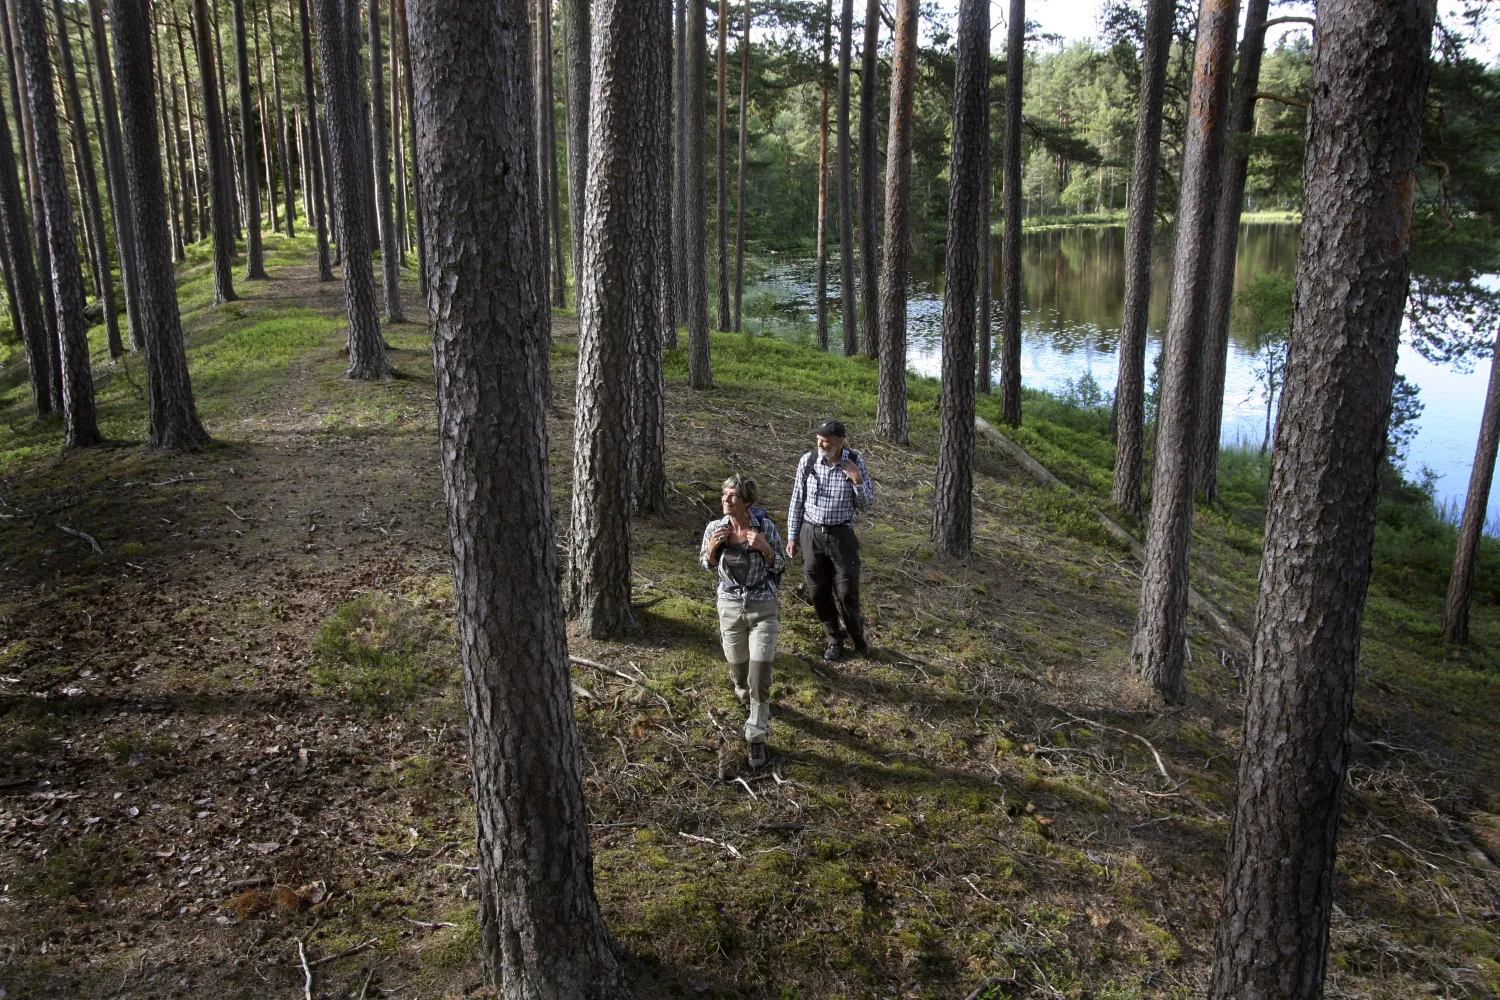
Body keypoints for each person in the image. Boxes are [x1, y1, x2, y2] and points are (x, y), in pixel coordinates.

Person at [700, 474, 786, 770]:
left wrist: (765, 548)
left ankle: (756, 735)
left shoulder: (765, 527)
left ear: (746, 501)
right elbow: (706, 564)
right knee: (739, 670)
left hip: (763, 607)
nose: (725, 499)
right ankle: (746, 696)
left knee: (760, 674)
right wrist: (712, 549)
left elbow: (780, 564)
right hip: (730, 607)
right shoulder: (715, 528)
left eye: (733, 495)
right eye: (724, 494)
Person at [786, 419, 874, 661]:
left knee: (847, 593)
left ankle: (858, 638)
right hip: (811, 534)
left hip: (841, 537)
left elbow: (867, 505)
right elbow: (797, 500)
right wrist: (792, 536)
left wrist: (857, 480)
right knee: (818, 591)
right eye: (819, 440)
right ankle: (834, 639)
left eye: (826, 441)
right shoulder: (808, 461)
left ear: (840, 441)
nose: (821, 445)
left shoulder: (855, 462)